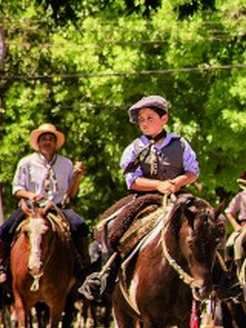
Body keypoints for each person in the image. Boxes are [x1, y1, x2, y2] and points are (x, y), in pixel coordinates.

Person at [78, 95, 200, 303]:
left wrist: (176, 183)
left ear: (164, 119)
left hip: (177, 195)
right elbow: (131, 181)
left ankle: (221, 278)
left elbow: (193, 172)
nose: (143, 122)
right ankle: (105, 275)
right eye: (141, 119)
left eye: (149, 118)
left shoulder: (180, 144)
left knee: (206, 223)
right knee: (111, 225)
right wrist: (159, 185)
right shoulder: (133, 148)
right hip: (144, 197)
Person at [0, 123, 89, 282]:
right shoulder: (26, 162)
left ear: (55, 143)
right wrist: (31, 195)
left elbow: (70, 194)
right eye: (44, 139)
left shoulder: (66, 163)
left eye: (51, 139)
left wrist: (77, 178)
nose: (47, 142)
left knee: (80, 226)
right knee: (5, 229)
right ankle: (2, 266)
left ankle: (84, 268)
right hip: (31, 208)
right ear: (38, 143)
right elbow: (17, 189)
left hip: (57, 207)